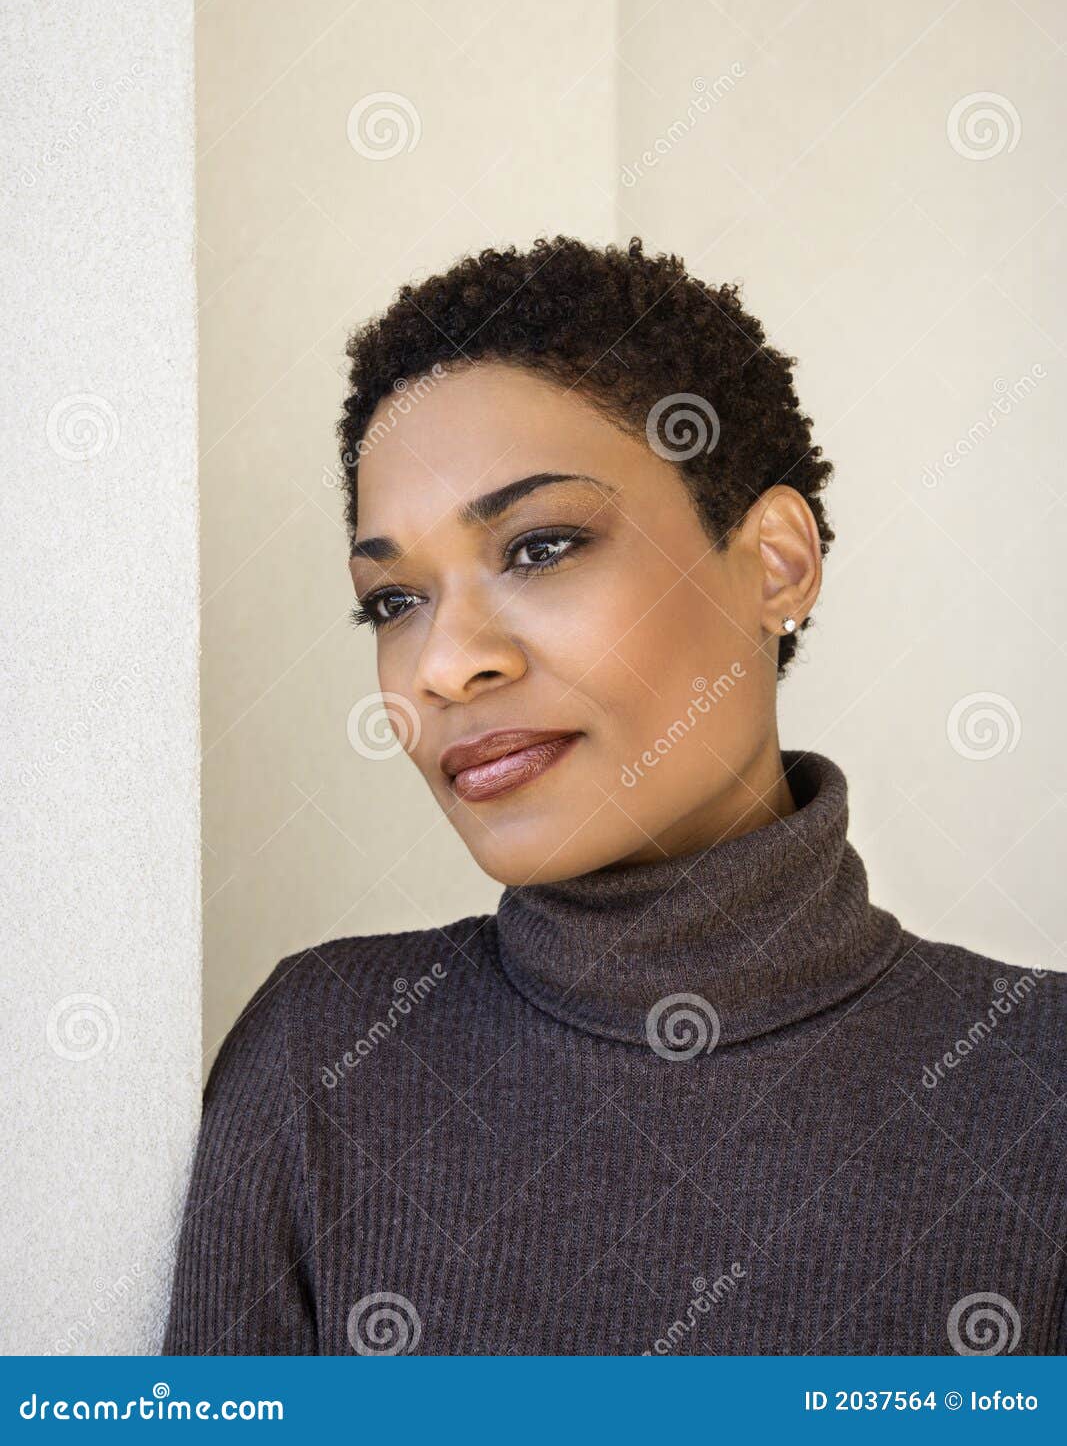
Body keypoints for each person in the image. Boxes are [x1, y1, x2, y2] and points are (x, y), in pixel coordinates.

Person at [163, 235, 1066, 1356]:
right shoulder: (321, 1058)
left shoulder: (1034, 1079)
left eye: (540, 547)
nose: (444, 664)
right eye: (392, 600)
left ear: (775, 562)